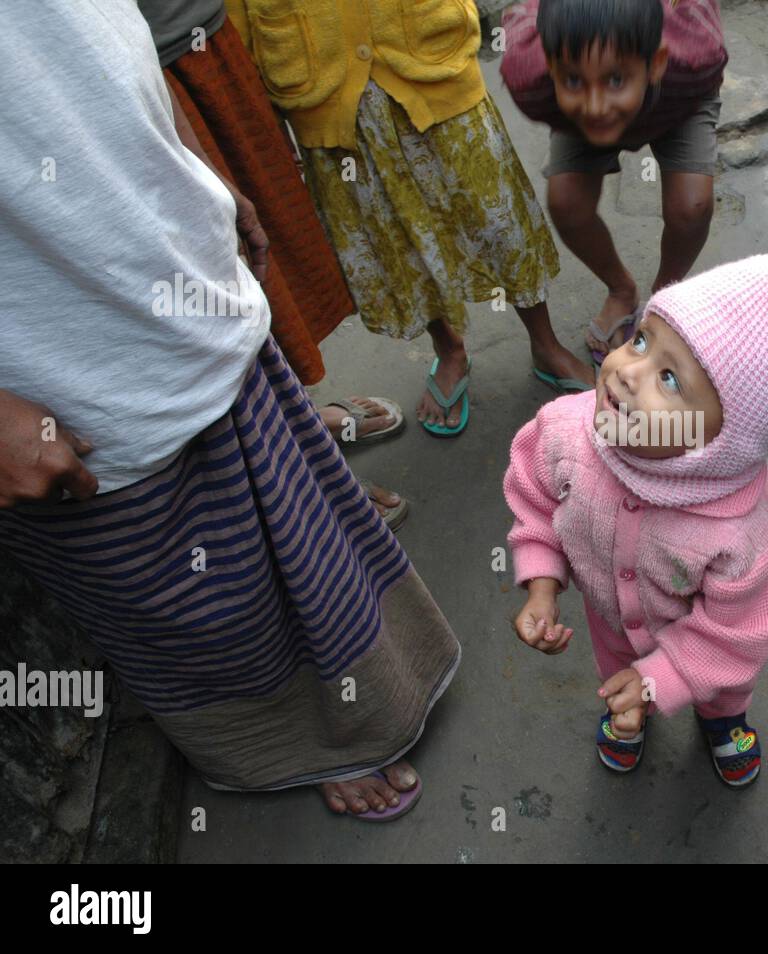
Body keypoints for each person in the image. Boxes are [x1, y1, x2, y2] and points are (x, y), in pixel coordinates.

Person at [0, 0, 460, 819]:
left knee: (297, 534)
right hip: (64, 361)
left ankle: (352, 701)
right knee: (205, 603)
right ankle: (289, 742)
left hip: (178, 269)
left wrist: (194, 167)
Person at [503, 253, 768, 786]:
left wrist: (662, 678)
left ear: (727, 439)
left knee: (719, 691)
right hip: (610, 622)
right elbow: (534, 495)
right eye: (643, 340)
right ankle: (626, 711)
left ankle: (723, 725)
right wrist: (541, 582)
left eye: (670, 380)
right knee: (617, 676)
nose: (627, 373)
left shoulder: (748, 531)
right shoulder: (566, 432)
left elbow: (733, 635)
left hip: (707, 651)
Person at [226, 0, 597, 439]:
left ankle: (545, 343)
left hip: (427, 57)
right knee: (395, 246)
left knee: (496, 220)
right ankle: (449, 349)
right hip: (324, 95)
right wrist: (268, 125)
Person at [137, 0, 410, 527]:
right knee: (196, 288)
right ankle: (295, 466)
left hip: (196, 45)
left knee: (262, 263)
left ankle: (298, 420)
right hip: (116, 92)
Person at [501, 0, 728, 364]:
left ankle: (663, 300)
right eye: (573, 79)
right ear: (550, 67)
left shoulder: (697, 57)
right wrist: (608, 88)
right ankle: (621, 290)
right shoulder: (530, 80)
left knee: (692, 206)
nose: (595, 106)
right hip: (582, 100)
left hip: (677, 100)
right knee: (567, 204)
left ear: (656, 63)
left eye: (615, 79)